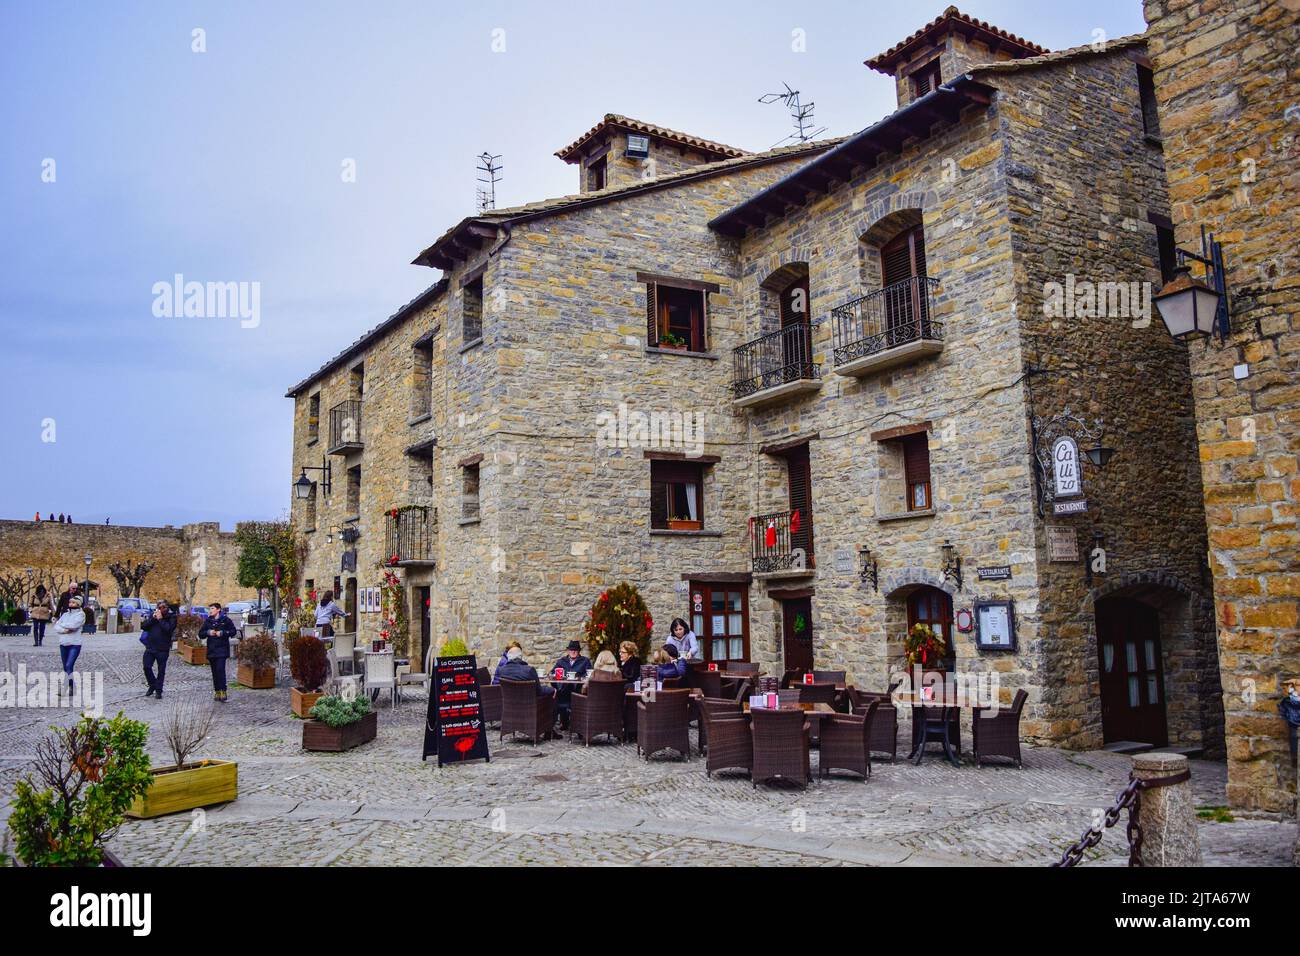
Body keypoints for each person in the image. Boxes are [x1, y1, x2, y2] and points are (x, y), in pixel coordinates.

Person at [551, 640, 592, 730]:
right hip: (563, 689)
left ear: (579, 651)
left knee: (569, 692)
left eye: (575, 650)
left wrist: (580, 678)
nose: (573, 652)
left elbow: (589, 674)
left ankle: (577, 724)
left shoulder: (585, 661)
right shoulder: (562, 661)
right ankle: (563, 722)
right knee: (559, 694)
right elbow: (552, 673)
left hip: (578, 690)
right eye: (571, 650)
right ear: (568, 651)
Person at [141, 600, 177, 699]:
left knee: (161, 670)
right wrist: (153, 618)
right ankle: (153, 684)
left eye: (163, 607)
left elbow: (169, 629)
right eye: (159, 607)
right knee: (146, 667)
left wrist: (161, 619)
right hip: (150, 647)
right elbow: (143, 626)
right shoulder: (153, 615)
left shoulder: (172, 617)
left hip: (163, 648)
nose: (161, 609)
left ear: (167, 608)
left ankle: (158, 690)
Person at [203, 602, 237, 702]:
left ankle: (223, 691)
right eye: (210, 609)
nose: (210, 611)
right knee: (214, 672)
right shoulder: (208, 621)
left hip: (222, 650)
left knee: (220, 670)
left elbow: (233, 631)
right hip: (212, 650)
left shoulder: (225, 620)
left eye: (212, 608)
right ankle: (217, 691)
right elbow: (201, 634)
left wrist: (222, 633)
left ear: (218, 609)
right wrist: (208, 632)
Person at [52, 597, 86, 690]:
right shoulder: (65, 615)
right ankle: (72, 686)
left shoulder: (81, 615)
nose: (70, 604)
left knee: (68, 665)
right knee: (65, 667)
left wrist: (62, 625)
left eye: (73, 602)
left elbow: (74, 625)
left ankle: (65, 687)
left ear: (78, 604)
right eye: (70, 602)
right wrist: (64, 630)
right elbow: (56, 627)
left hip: (75, 644)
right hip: (63, 643)